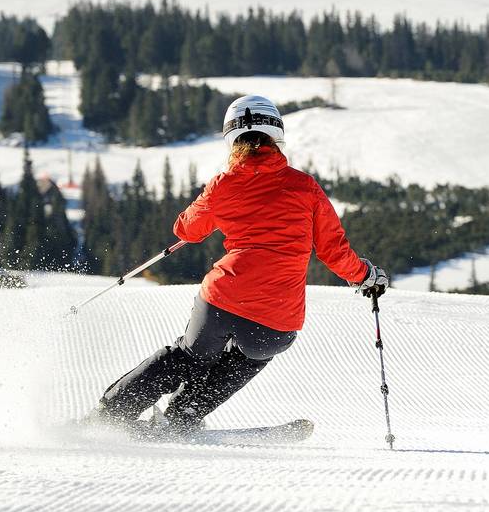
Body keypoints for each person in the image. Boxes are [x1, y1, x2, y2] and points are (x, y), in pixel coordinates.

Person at [91, 94, 388, 431]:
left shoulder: (223, 185)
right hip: (278, 317)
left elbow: (187, 229)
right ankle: (182, 416)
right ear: (276, 136)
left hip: (223, 300)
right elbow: (334, 251)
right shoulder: (305, 188)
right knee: (249, 358)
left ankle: (110, 413)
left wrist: (217, 200)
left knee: (188, 357)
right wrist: (365, 275)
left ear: (231, 139)